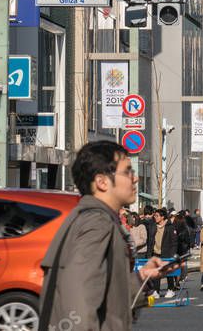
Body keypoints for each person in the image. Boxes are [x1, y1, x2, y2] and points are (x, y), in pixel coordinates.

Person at [38, 141, 166, 330]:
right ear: (102, 182)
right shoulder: (96, 223)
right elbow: (78, 301)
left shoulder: (93, 217)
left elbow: (107, 297)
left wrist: (141, 277)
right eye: (127, 172)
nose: (135, 178)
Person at [147, 208, 179, 298]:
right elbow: (150, 241)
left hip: (167, 253)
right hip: (155, 253)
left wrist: (172, 254)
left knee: (168, 272)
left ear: (162, 217)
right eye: (154, 216)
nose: (155, 217)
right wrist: (149, 254)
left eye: (157, 216)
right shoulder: (153, 226)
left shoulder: (170, 227)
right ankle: (156, 291)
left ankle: (171, 289)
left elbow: (174, 242)